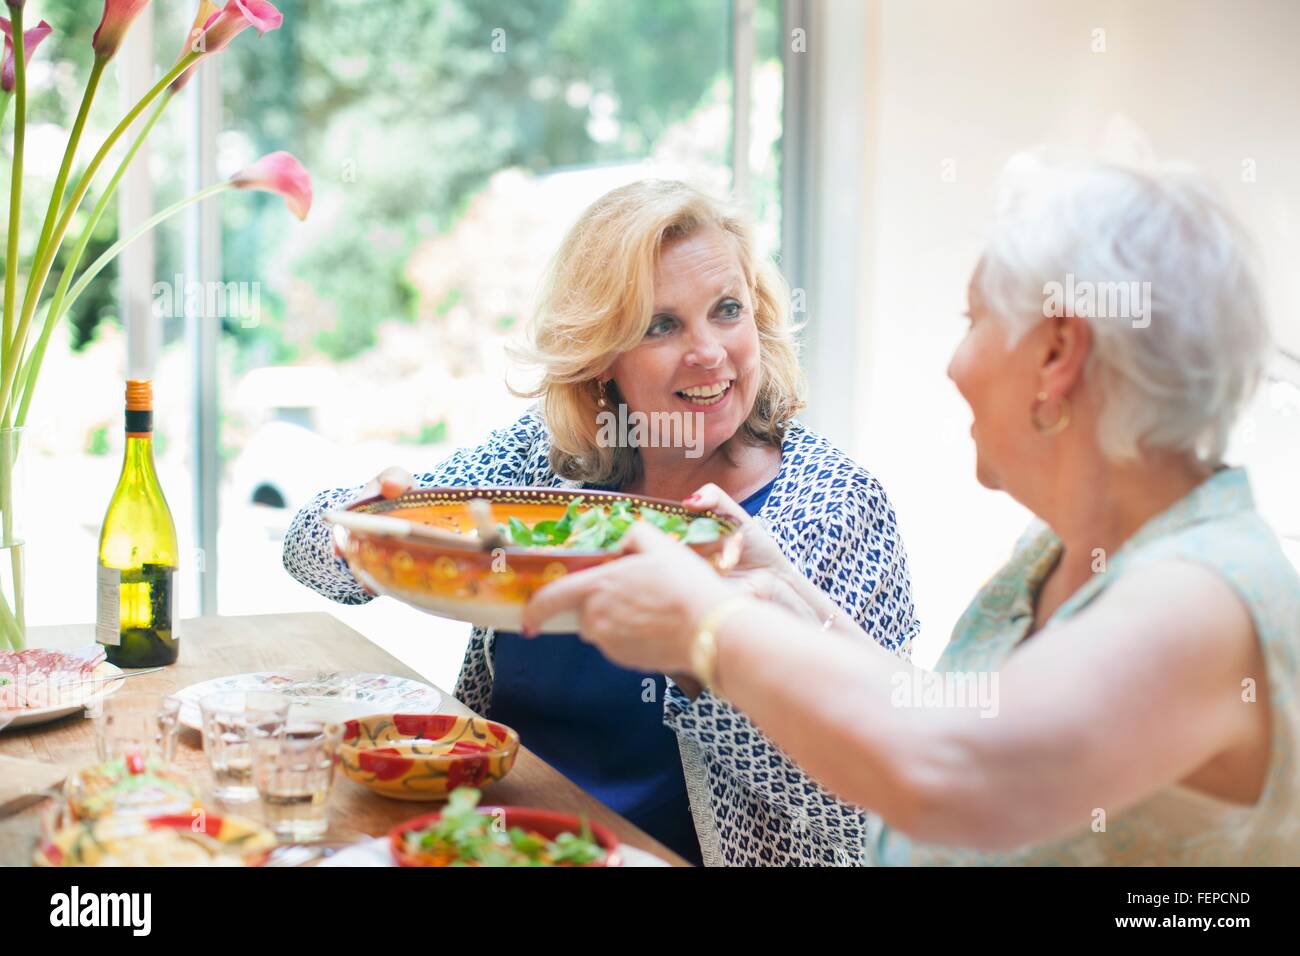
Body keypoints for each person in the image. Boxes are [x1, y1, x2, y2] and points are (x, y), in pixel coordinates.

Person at [523, 155, 1300, 864]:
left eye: (975, 321)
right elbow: (945, 714)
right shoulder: (1060, 554)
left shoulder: (1200, 595)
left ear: (1058, 356)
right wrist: (793, 598)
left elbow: (954, 774)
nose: (955, 365)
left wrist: (706, 626)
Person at [284, 179, 921, 866]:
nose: (708, 351)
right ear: (601, 360)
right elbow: (307, 552)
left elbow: (866, 816)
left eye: (726, 310)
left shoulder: (834, 505)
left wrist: (711, 663)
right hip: (490, 845)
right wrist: (362, 529)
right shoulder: (544, 461)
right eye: (661, 325)